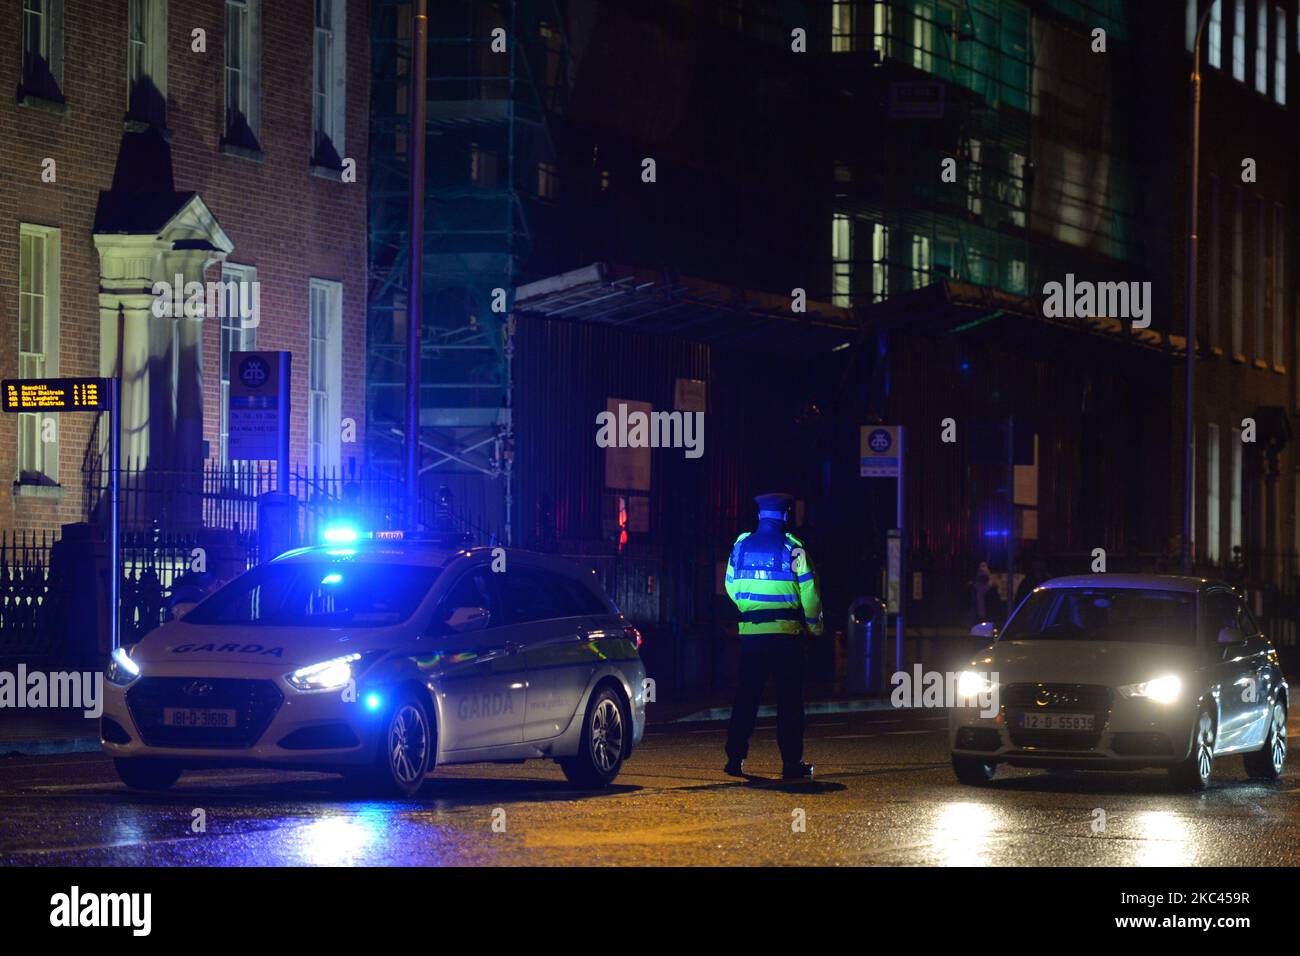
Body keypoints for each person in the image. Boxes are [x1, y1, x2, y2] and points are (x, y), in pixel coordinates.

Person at [723, 492, 823, 780]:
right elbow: (810, 593)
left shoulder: (741, 546)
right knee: (789, 701)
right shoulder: (794, 548)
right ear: (786, 515)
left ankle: (735, 759)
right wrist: (814, 627)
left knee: (745, 698)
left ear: (760, 515)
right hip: (786, 637)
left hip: (751, 636)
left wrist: (750, 607)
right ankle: (791, 763)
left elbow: (730, 586)